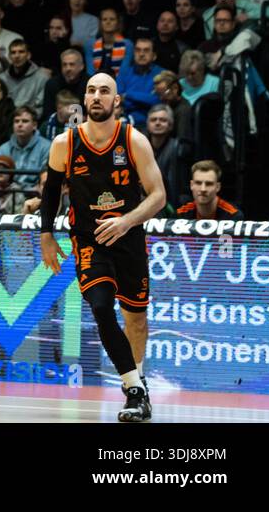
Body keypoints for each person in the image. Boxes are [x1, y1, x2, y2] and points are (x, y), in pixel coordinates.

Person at [39, 72, 168, 422]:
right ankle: (135, 390)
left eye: (105, 91)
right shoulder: (64, 142)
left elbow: (158, 196)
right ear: (84, 99)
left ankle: (138, 381)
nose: (97, 96)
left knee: (136, 318)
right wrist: (46, 234)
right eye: (91, 90)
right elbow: (51, 192)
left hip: (128, 238)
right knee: (100, 306)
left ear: (116, 101)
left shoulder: (134, 140)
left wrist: (126, 221)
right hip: (88, 238)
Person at [172, 160, 243, 220]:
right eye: (198, 183)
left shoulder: (232, 216)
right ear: (191, 185)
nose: (203, 189)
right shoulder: (180, 215)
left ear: (218, 187)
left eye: (209, 184)